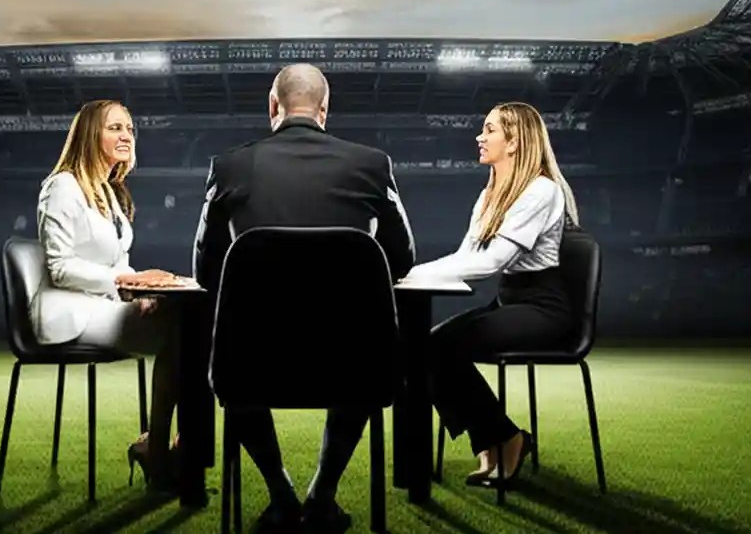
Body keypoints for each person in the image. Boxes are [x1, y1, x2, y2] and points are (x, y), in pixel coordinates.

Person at [193, 64, 415, 532]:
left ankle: (280, 494)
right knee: (361, 342)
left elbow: (205, 270)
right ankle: (322, 496)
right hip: (354, 360)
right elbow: (402, 258)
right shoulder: (371, 164)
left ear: (273, 107)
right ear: (325, 110)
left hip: (252, 360)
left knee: (234, 353)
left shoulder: (229, 165)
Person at [406, 101, 581, 488]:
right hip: (510, 300)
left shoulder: (541, 190)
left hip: (543, 307)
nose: (479, 137)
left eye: (489, 130)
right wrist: (410, 274)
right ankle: (492, 438)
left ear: (515, 140)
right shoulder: (489, 194)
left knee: (439, 348)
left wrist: (406, 275)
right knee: (428, 346)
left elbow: (492, 261)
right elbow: (465, 256)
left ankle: (507, 439)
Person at [34, 99, 181, 488]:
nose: (127, 135)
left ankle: (171, 446)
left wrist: (142, 287)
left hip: (104, 308)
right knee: (184, 324)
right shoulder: (63, 186)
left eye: (130, 129)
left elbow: (118, 267)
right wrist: (126, 285)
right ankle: (165, 448)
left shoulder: (111, 193)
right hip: (72, 315)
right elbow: (60, 268)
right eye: (115, 127)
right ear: (89, 134)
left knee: (188, 316)